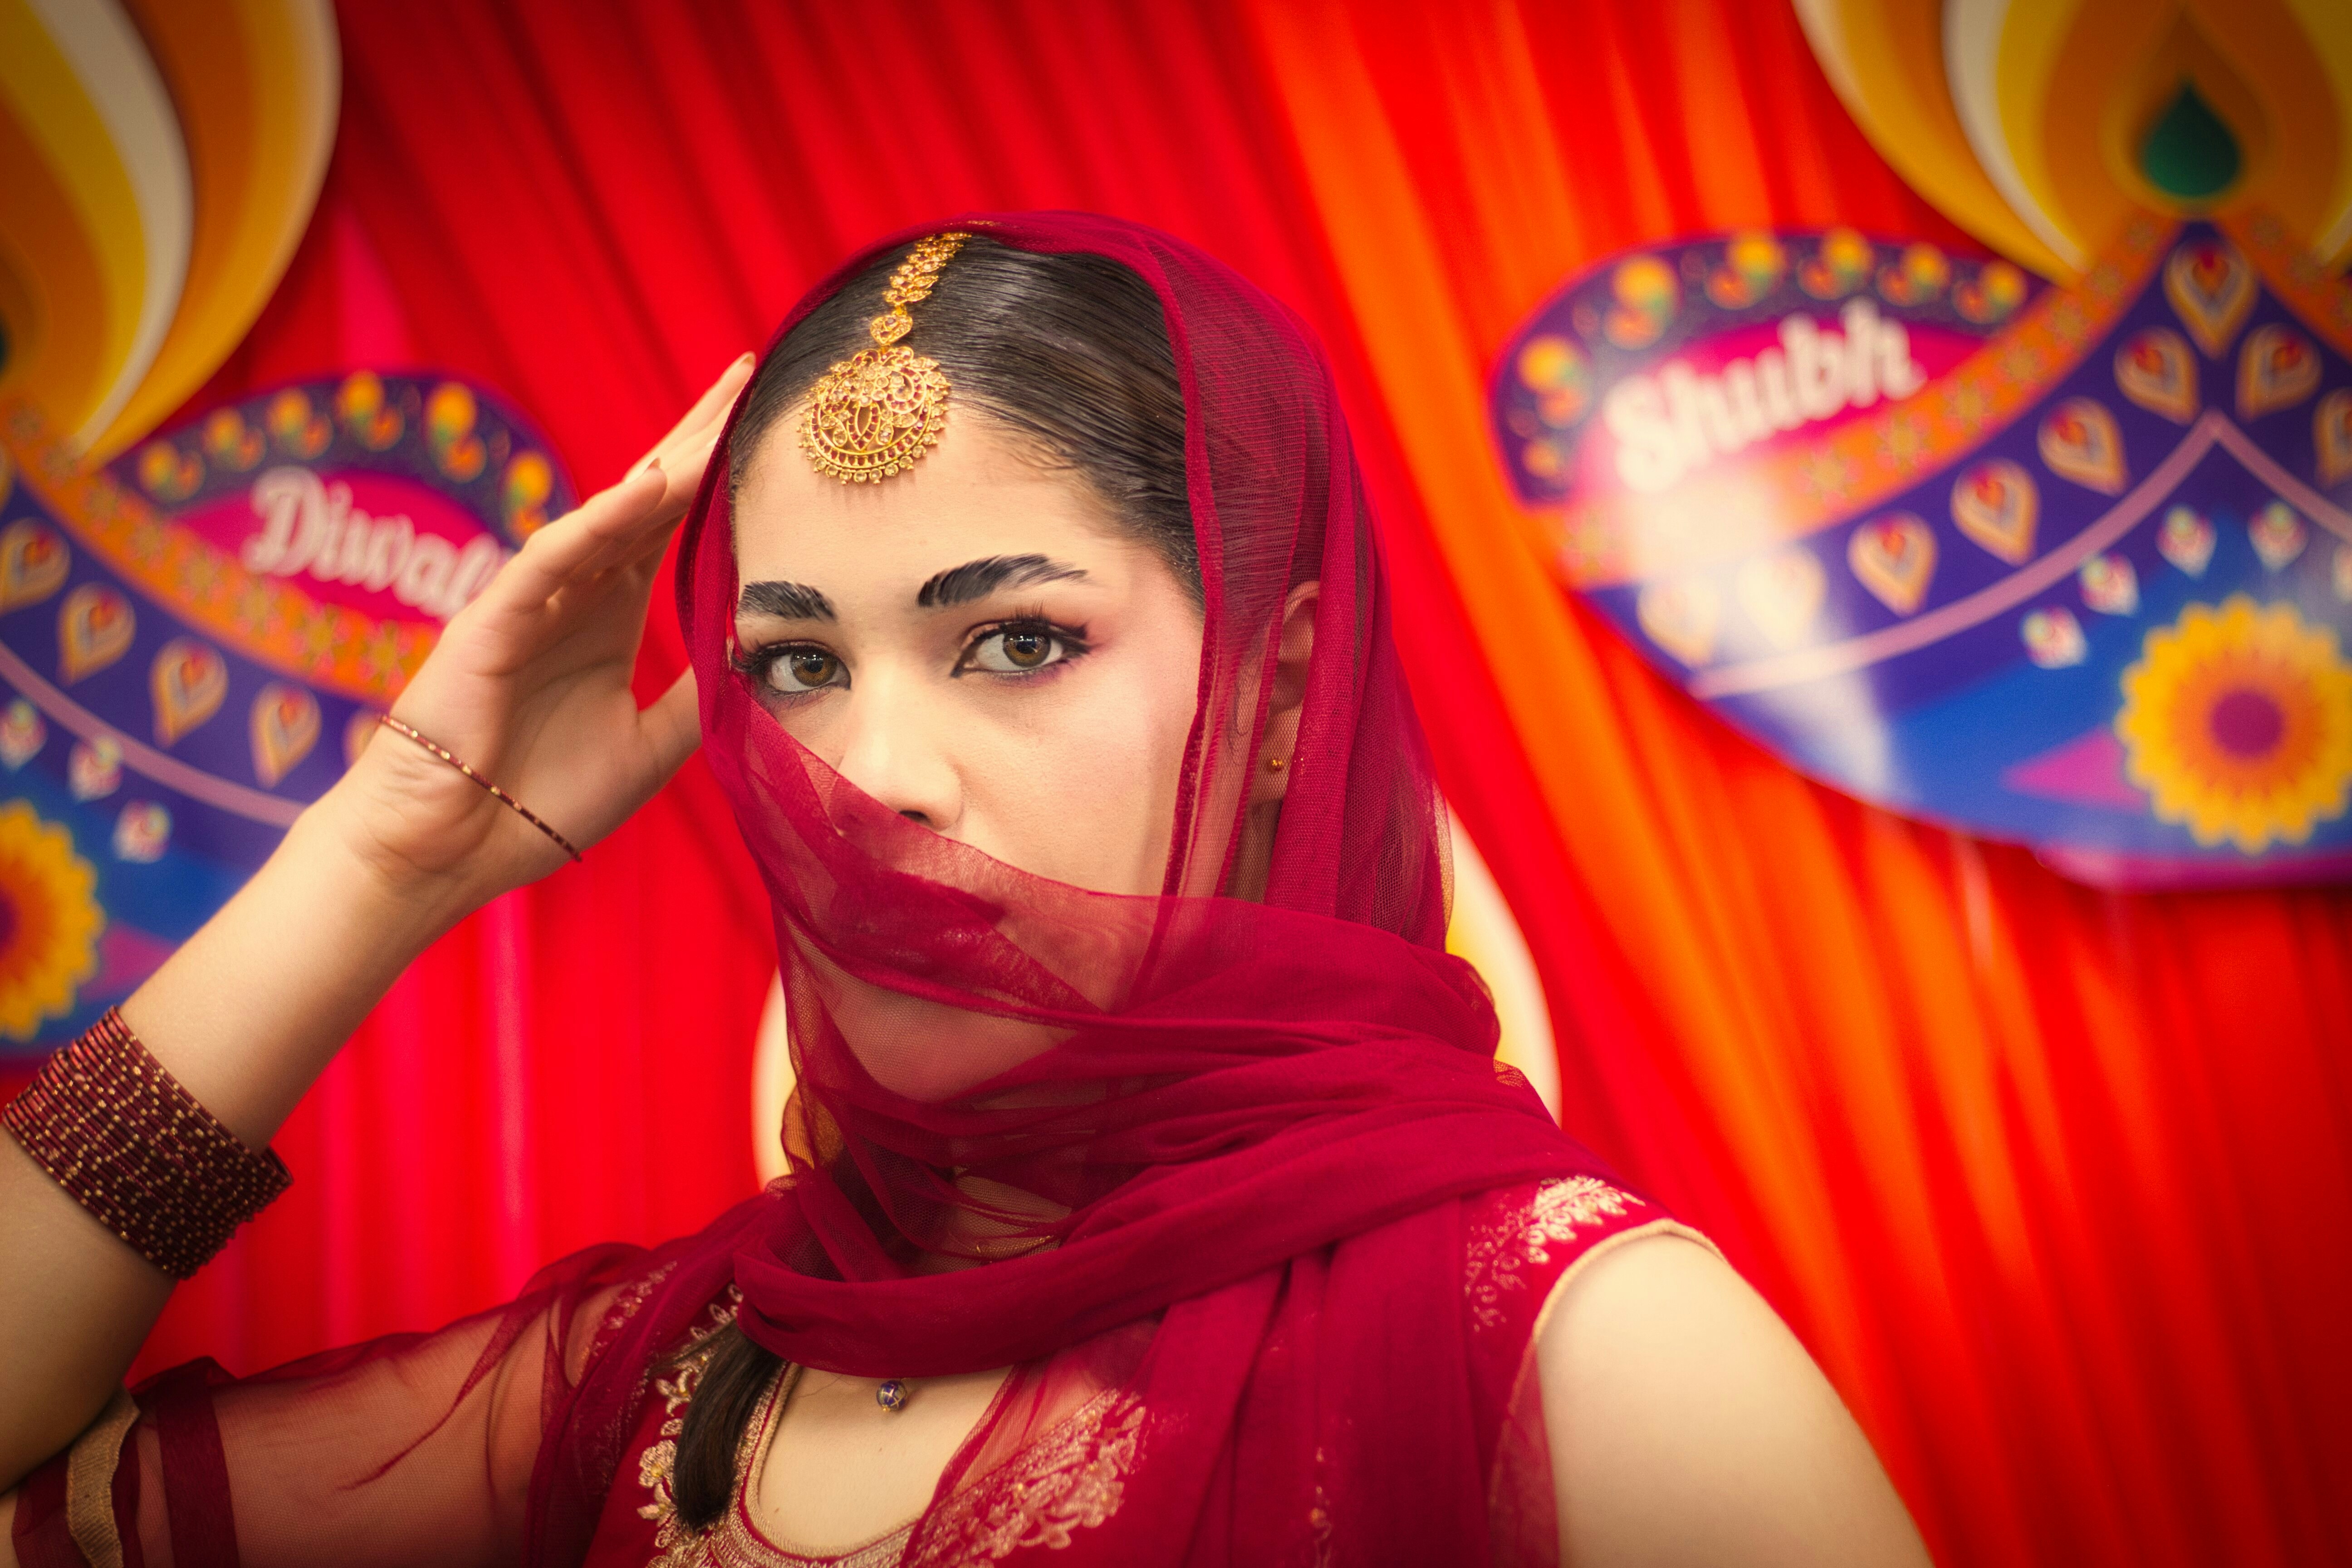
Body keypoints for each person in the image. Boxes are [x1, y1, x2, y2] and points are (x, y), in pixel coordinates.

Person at [0, 216, 1930, 1568]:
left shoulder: (1586, 1361)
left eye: (1012, 641)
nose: (875, 780)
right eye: (796, 664)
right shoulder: (692, 1369)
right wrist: (386, 847)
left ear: (1274, 689)